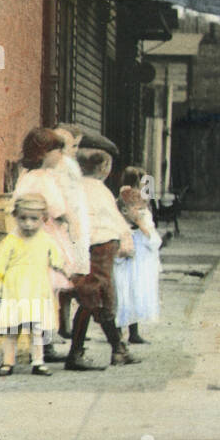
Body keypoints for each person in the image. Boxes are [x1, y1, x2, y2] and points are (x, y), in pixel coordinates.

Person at [12, 128, 79, 363]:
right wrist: (72, 222)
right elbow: (57, 209)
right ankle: (43, 347)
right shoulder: (43, 178)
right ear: (44, 153)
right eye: (56, 151)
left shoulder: (26, 176)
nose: (60, 155)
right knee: (46, 294)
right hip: (46, 238)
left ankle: (38, 346)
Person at [70, 148, 137, 370]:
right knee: (96, 295)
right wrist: (126, 241)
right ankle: (77, 353)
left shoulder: (76, 188)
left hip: (83, 245)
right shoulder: (100, 191)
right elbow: (115, 220)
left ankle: (118, 349)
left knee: (98, 296)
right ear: (104, 169)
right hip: (102, 245)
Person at [0, 196, 67, 377]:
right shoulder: (10, 240)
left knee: (37, 328)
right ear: (15, 216)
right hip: (14, 290)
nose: (28, 224)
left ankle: (38, 362)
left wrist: (62, 270)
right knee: (12, 329)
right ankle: (8, 362)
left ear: (44, 219)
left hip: (37, 290)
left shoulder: (46, 240)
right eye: (23, 218)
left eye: (34, 219)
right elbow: (0, 265)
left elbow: (57, 259)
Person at [114, 168, 162, 344]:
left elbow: (154, 240)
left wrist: (141, 225)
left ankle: (134, 332)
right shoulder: (120, 209)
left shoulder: (144, 214)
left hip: (139, 264)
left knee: (135, 294)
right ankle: (117, 331)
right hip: (123, 264)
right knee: (121, 295)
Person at [53, 124, 90, 342]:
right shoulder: (64, 165)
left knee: (64, 284)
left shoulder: (66, 164)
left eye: (76, 146)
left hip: (72, 227)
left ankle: (63, 327)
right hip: (66, 229)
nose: (73, 151)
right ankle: (61, 331)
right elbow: (68, 200)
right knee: (64, 281)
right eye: (71, 146)